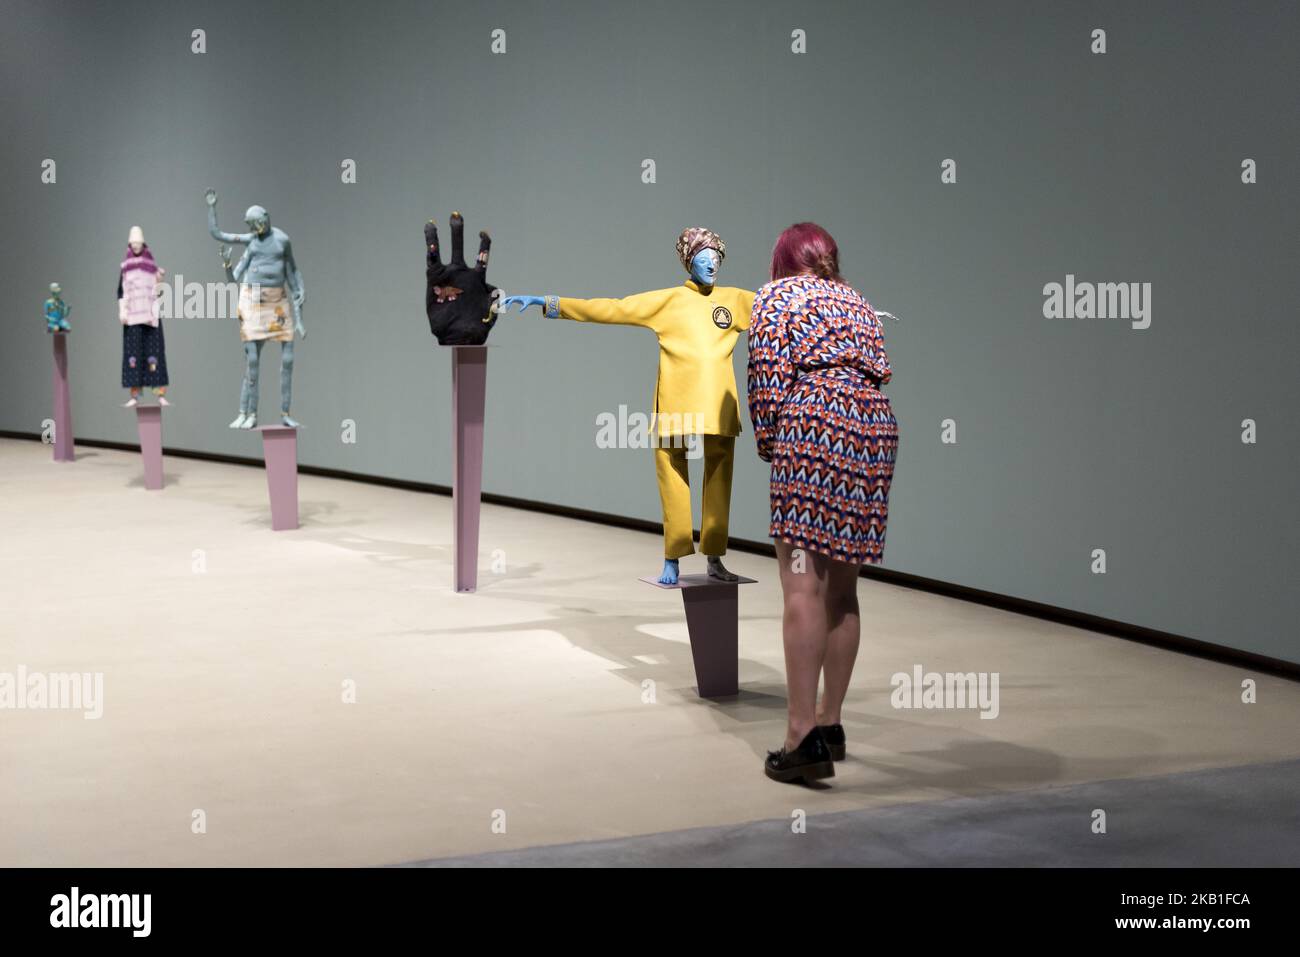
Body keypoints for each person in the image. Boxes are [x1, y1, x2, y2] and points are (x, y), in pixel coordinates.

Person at [503, 227, 754, 585]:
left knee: (719, 477)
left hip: (718, 405)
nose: (712, 261)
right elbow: (612, 309)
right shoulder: (667, 301)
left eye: (717, 256)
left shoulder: (735, 300)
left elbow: (778, 308)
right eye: (704, 255)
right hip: (676, 405)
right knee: (672, 475)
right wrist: (551, 303)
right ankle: (673, 556)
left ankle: (714, 556)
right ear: (688, 260)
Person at [747, 222, 900, 783]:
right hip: (873, 425)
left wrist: (773, 445)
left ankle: (799, 737)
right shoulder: (858, 300)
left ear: (783, 258)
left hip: (814, 423)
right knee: (844, 586)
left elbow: (767, 379)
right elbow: (879, 367)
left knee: (800, 581)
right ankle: (829, 724)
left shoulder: (776, 296)